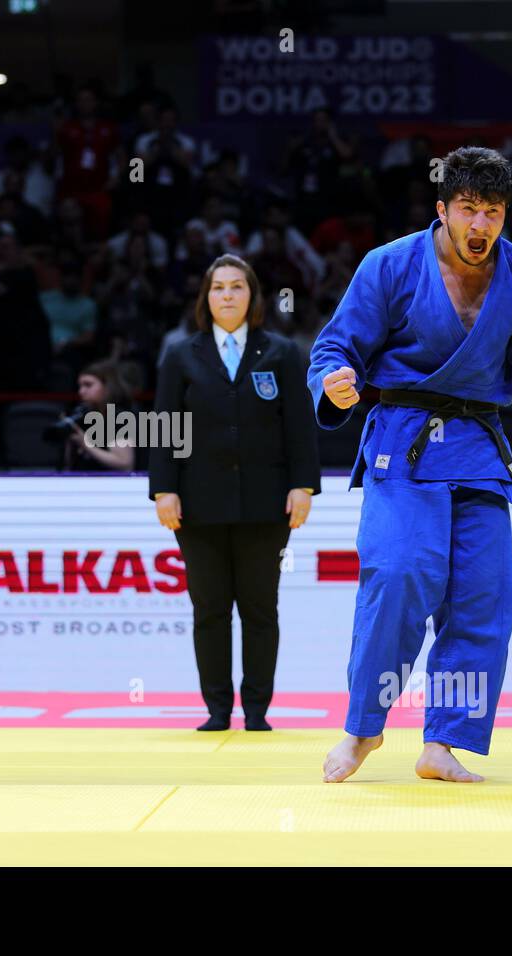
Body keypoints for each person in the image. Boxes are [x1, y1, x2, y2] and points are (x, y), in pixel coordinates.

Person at [309, 147, 512, 783]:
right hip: (404, 439)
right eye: (470, 210)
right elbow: (336, 345)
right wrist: (336, 381)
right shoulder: (389, 265)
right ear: (443, 209)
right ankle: (364, 729)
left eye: (494, 212)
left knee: (484, 599)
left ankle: (443, 743)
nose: (481, 225)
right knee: (398, 576)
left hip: (477, 448)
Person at [149, 254, 321, 731]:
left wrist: (303, 485)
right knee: (210, 610)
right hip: (197, 506)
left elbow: (299, 428)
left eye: (237, 287)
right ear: (206, 298)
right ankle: (218, 710)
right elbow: (166, 428)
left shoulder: (283, 353)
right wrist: (163, 489)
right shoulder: (181, 355)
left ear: (253, 296)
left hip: (266, 505)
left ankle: (258, 710)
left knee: (260, 609)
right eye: (218, 287)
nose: (227, 295)